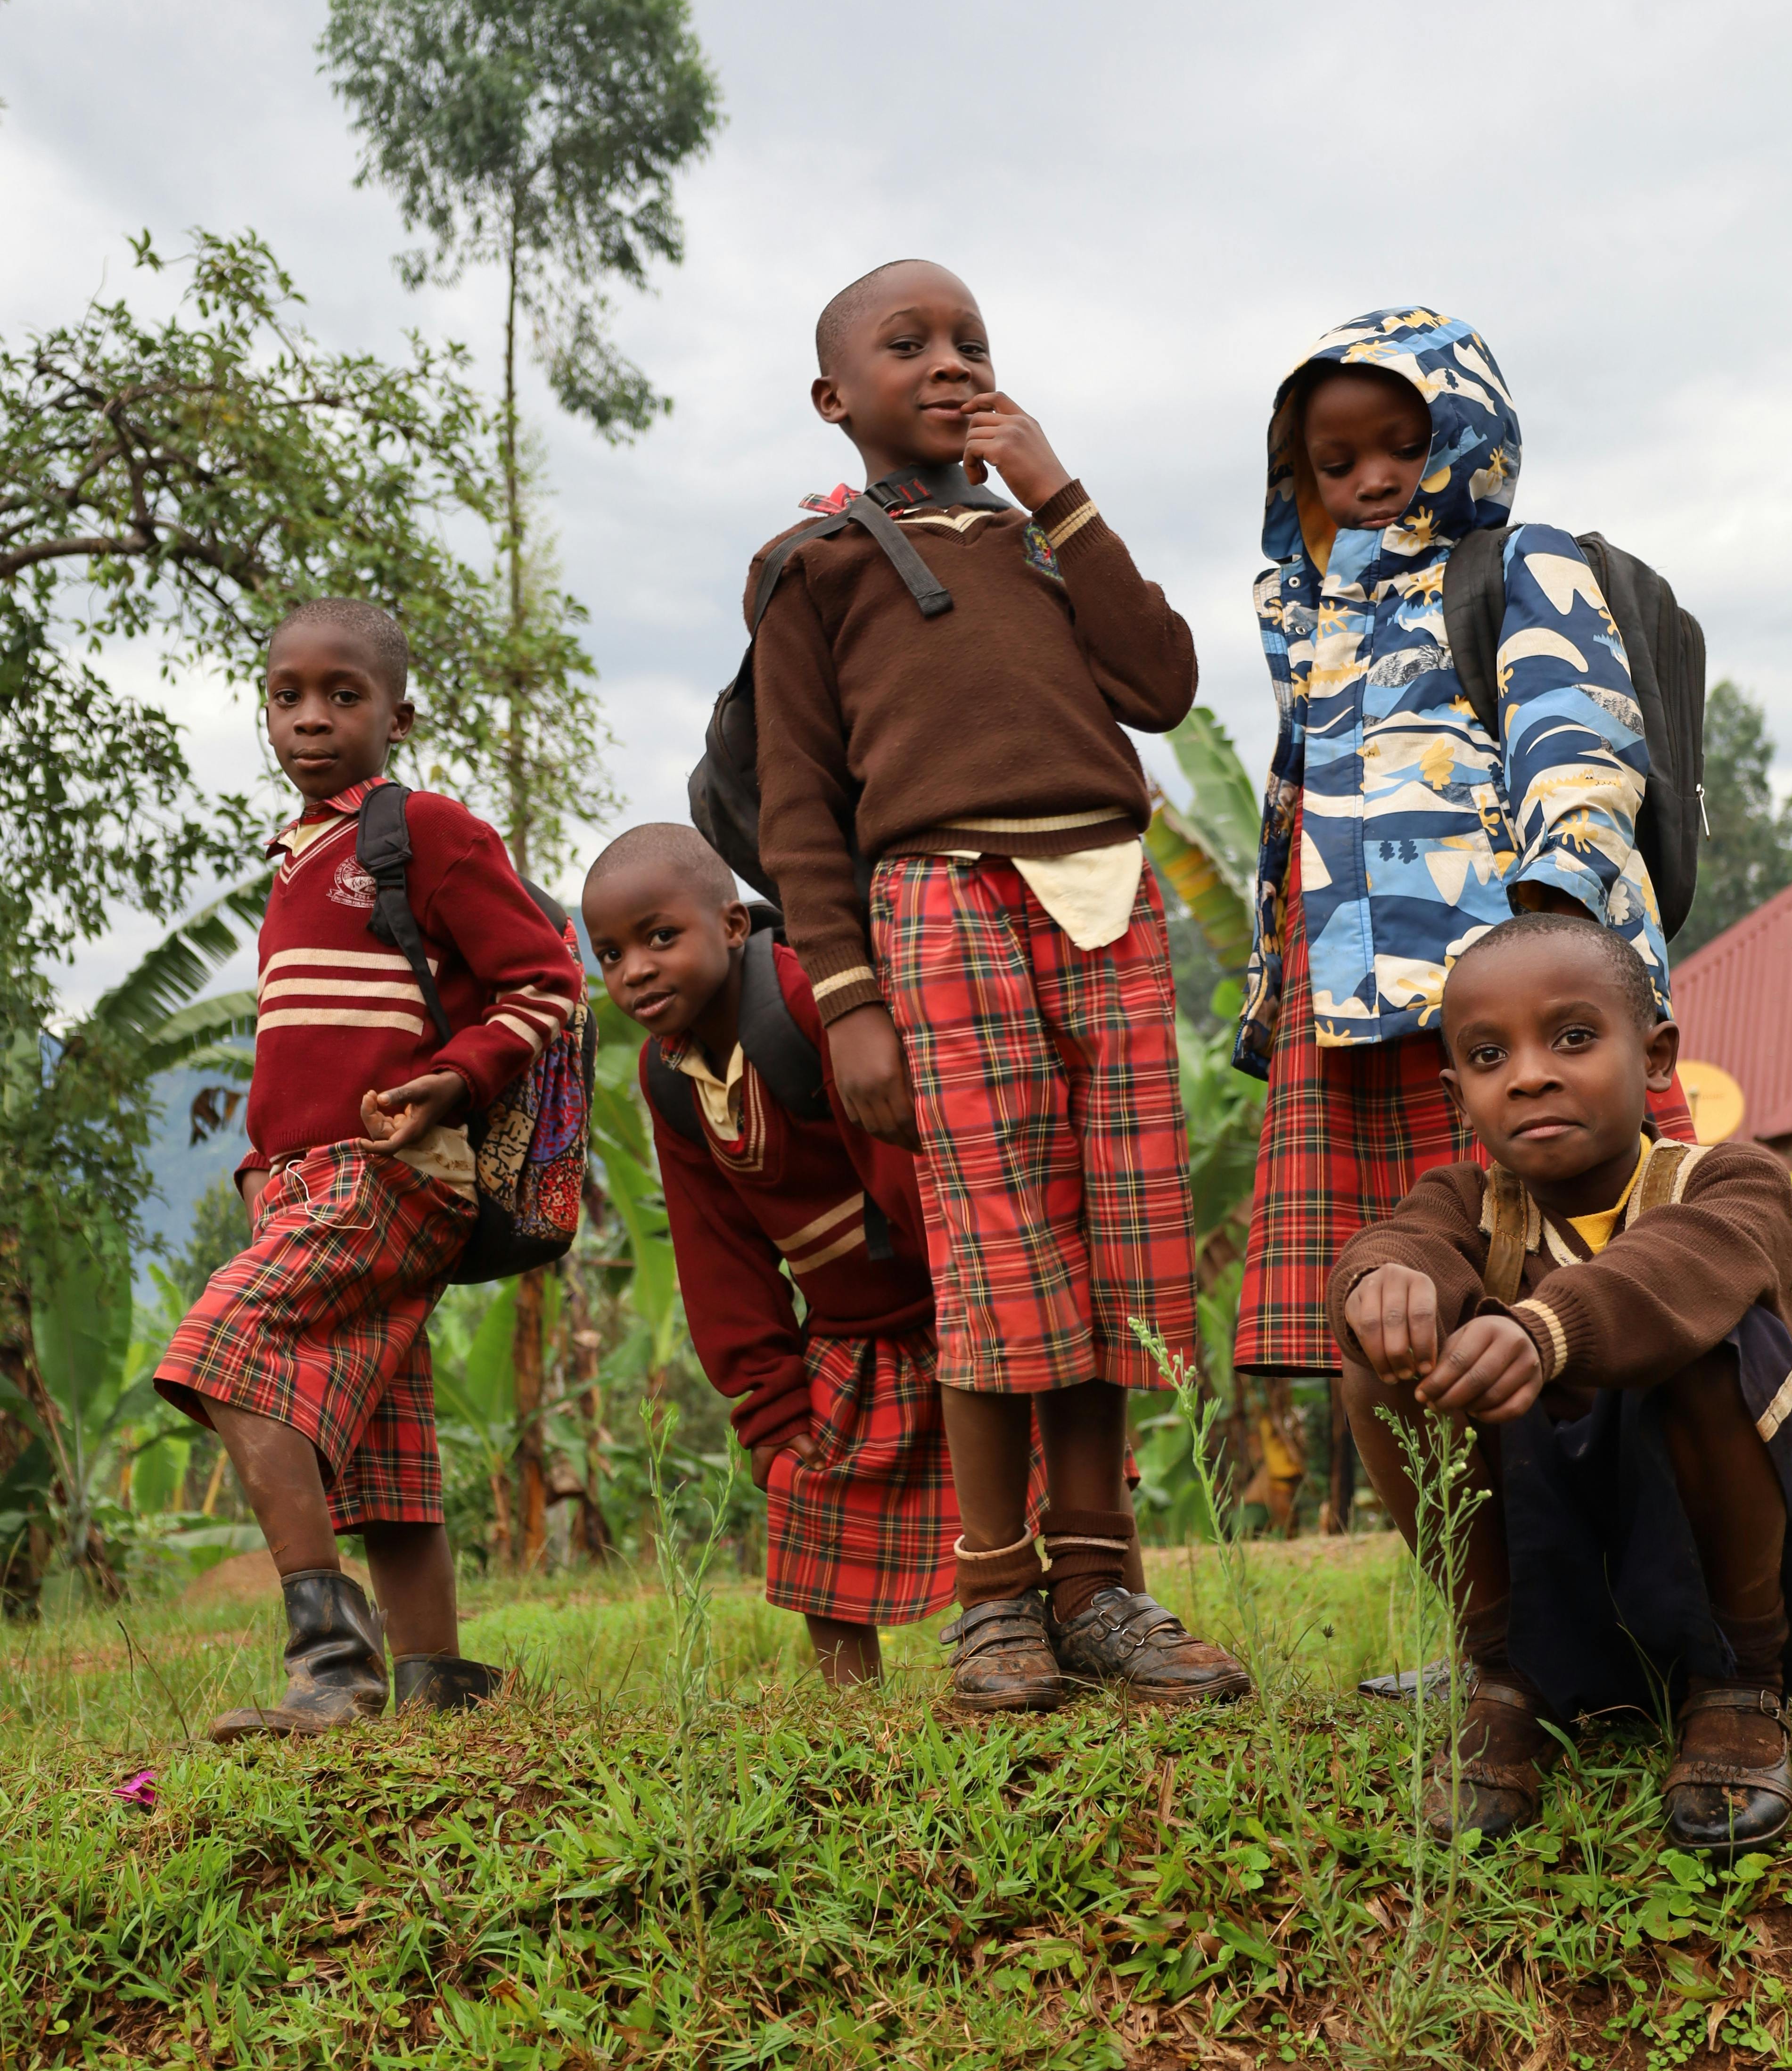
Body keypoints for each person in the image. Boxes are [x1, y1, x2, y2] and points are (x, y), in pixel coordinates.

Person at [745, 257, 1247, 1710]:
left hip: (1110, 902)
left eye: (972, 339)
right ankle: (993, 1597)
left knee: (1113, 1248)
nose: (951, 361)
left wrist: (1060, 493)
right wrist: (847, 1000)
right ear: (838, 398)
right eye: (911, 344)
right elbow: (800, 807)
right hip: (943, 907)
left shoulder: (1042, 544)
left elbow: (1161, 684)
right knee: (994, 1249)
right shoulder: (813, 567)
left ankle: (1101, 1589)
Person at [1232, 307, 1696, 1400]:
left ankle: (1673, 1518)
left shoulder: (1515, 565)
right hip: (1351, 1009)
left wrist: (1553, 918)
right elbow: (1291, 811)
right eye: (1334, 462)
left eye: (1406, 444)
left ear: (1466, 435)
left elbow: (1575, 733)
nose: (1374, 478)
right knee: (1395, 1297)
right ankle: (1481, 1551)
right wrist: (1271, 994)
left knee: (1595, 1264)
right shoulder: (1309, 618)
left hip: (1509, 992)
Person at [1330, 910, 1792, 1853]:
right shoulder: (1467, 1207)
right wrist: (1381, 1286)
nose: (1529, 1073)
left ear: (1656, 1057)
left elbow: (1681, 1270)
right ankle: (1502, 1673)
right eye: (1489, 1057)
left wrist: (1543, 1332)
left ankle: (1738, 1686)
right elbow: (1396, 1243)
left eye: (1573, 1038)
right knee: (1381, 1362)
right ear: (1461, 1096)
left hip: (1741, 1598)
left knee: (1709, 1343)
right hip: (1560, 1594)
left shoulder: (1728, 1183)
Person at [155, 597, 586, 1739]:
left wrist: (452, 1076)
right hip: (300, 1177)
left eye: (343, 696)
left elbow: (545, 981)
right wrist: (257, 1163)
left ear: (399, 714)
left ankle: (330, 1663)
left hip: (391, 1163)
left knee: (222, 1358)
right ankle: (436, 1678)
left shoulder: (424, 833)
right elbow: (289, 1041)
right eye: (287, 697)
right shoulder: (296, 859)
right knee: (382, 1446)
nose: (311, 718)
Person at [585, 821, 971, 1691]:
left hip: (950, 1294)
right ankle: (848, 1712)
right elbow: (713, 1248)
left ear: (730, 926)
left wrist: (974, 1307)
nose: (635, 971)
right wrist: (766, 1395)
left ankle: (1071, 1642)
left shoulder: (803, 1003)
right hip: (845, 1326)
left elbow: (912, 1171)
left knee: (1037, 1482)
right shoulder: (668, 1078)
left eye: (659, 938)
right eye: (610, 955)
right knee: (811, 1496)